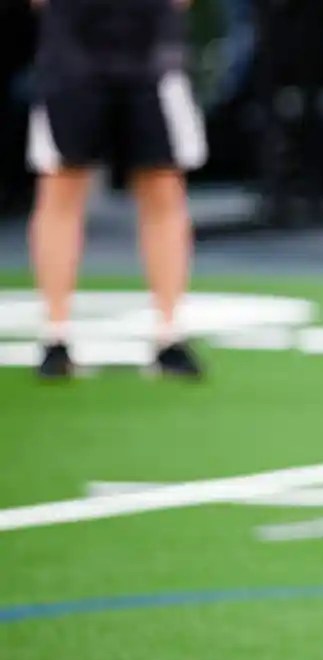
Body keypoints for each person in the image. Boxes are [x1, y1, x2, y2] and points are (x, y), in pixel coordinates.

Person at [27, 0, 206, 379]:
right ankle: (55, 335)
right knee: (62, 181)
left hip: (151, 51)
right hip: (73, 51)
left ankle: (169, 333)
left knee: (162, 184)